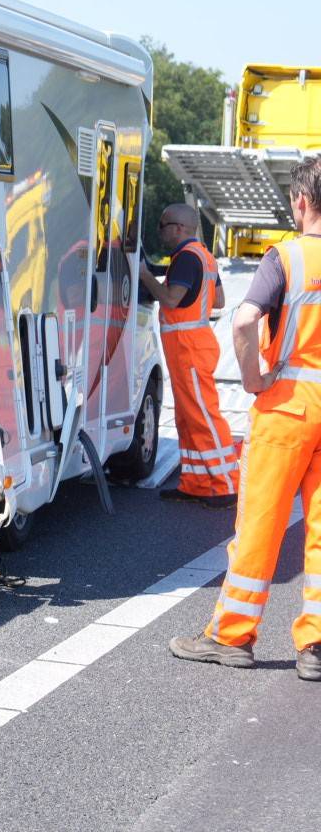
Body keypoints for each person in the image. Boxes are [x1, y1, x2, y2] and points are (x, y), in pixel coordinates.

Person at [169, 155, 321, 680]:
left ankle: (231, 637)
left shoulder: (287, 257)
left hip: (286, 408)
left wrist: (254, 379)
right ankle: (316, 646)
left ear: (300, 201)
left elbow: (244, 320)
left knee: (260, 523)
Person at [138, 203, 236, 506]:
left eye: (163, 225)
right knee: (187, 416)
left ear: (179, 228)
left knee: (203, 416)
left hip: (189, 348)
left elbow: (170, 299)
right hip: (193, 346)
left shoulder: (185, 259)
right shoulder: (203, 256)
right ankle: (195, 484)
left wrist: (144, 275)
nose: (159, 231)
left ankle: (226, 485)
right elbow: (218, 300)